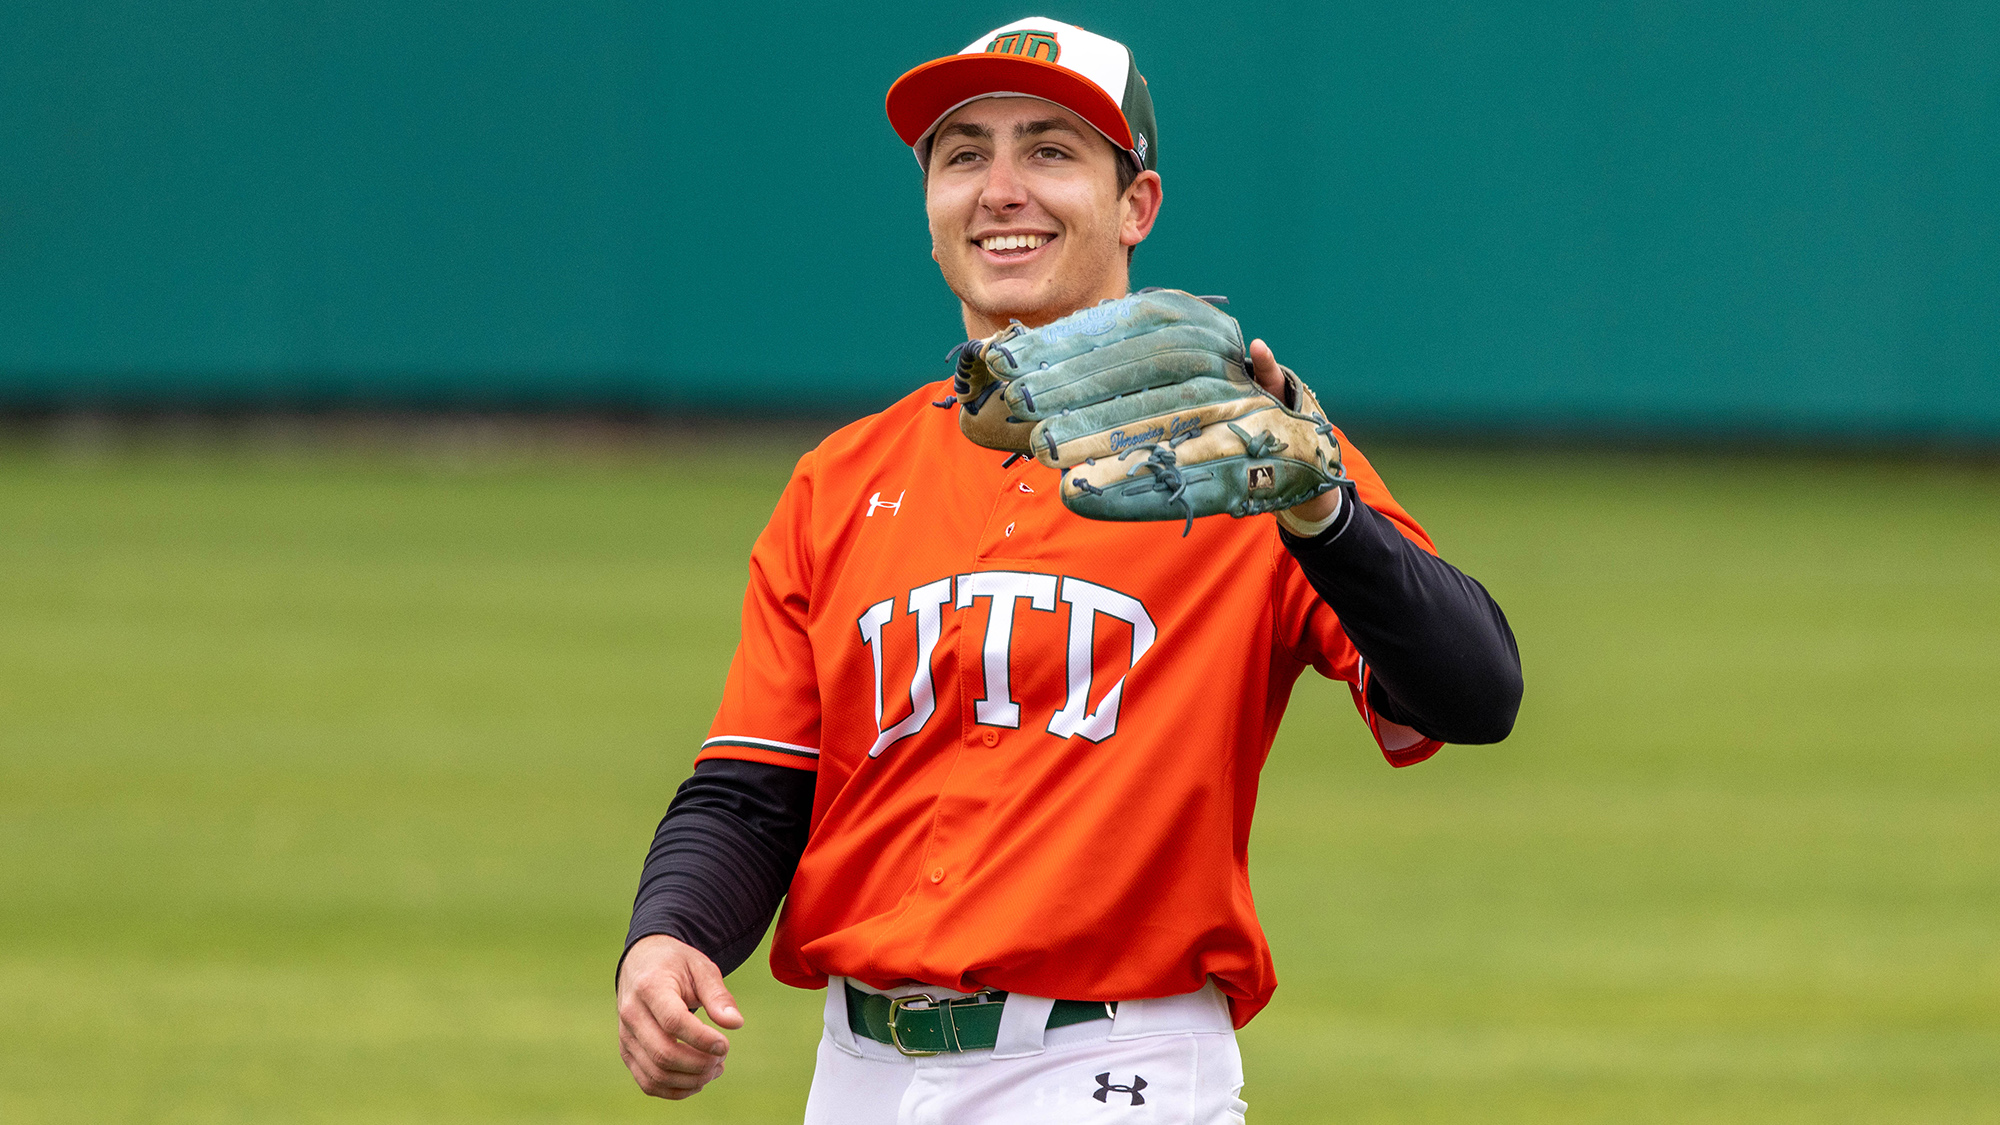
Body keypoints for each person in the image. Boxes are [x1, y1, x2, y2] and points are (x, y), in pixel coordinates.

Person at [615, 17, 1522, 1123]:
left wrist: (1327, 517)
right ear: (931, 211)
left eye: (1049, 149)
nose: (1000, 187)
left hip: (1107, 1067)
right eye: (964, 156)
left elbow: (1475, 694)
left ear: (1135, 205)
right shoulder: (840, 479)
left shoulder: (1242, 452)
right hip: (855, 1074)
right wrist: (667, 937)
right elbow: (753, 792)